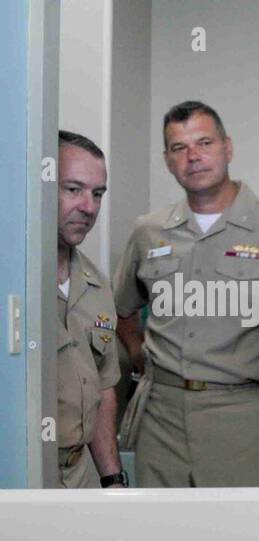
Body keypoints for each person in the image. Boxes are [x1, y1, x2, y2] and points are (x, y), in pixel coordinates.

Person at [114, 101, 259, 487]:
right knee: (160, 535)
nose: (193, 157)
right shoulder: (148, 232)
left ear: (228, 147)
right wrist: (142, 356)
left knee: (245, 538)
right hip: (161, 416)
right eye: (179, 148)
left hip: (244, 412)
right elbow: (122, 311)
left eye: (204, 143)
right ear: (167, 160)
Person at [53, 131, 125, 489]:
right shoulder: (14, 285)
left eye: (97, 194)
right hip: (23, 468)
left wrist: (112, 477)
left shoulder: (96, 283)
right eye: (73, 189)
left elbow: (104, 387)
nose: (89, 206)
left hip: (79, 475)